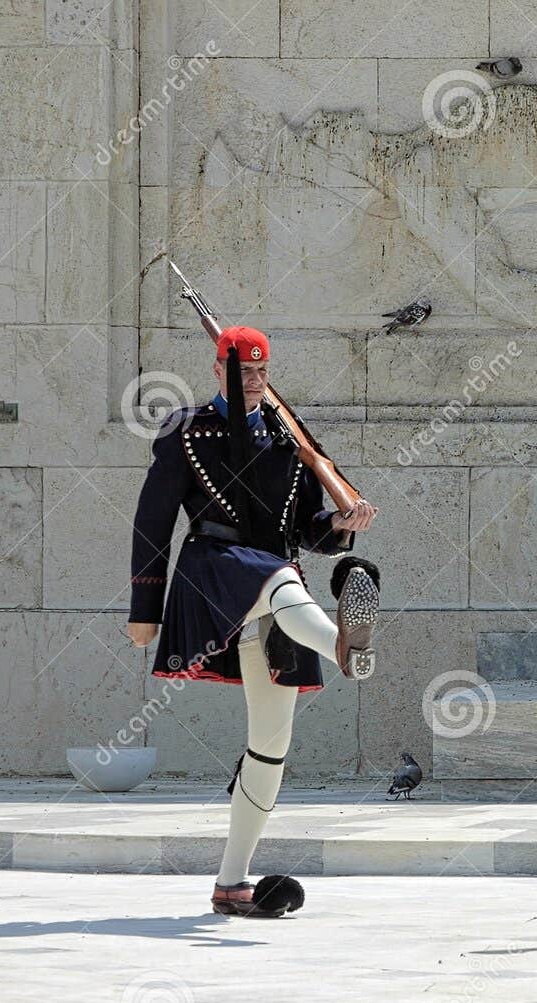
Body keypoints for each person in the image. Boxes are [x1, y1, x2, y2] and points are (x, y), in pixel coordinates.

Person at [124, 325, 381, 918]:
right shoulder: (188, 429)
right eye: (241, 373)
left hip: (278, 586)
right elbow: (152, 521)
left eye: (261, 373)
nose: (252, 382)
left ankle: (231, 882)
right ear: (217, 372)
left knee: (270, 746)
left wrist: (345, 522)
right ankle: (344, 644)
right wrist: (145, 609)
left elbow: (307, 530)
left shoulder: (288, 437)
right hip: (215, 569)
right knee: (280, 582)